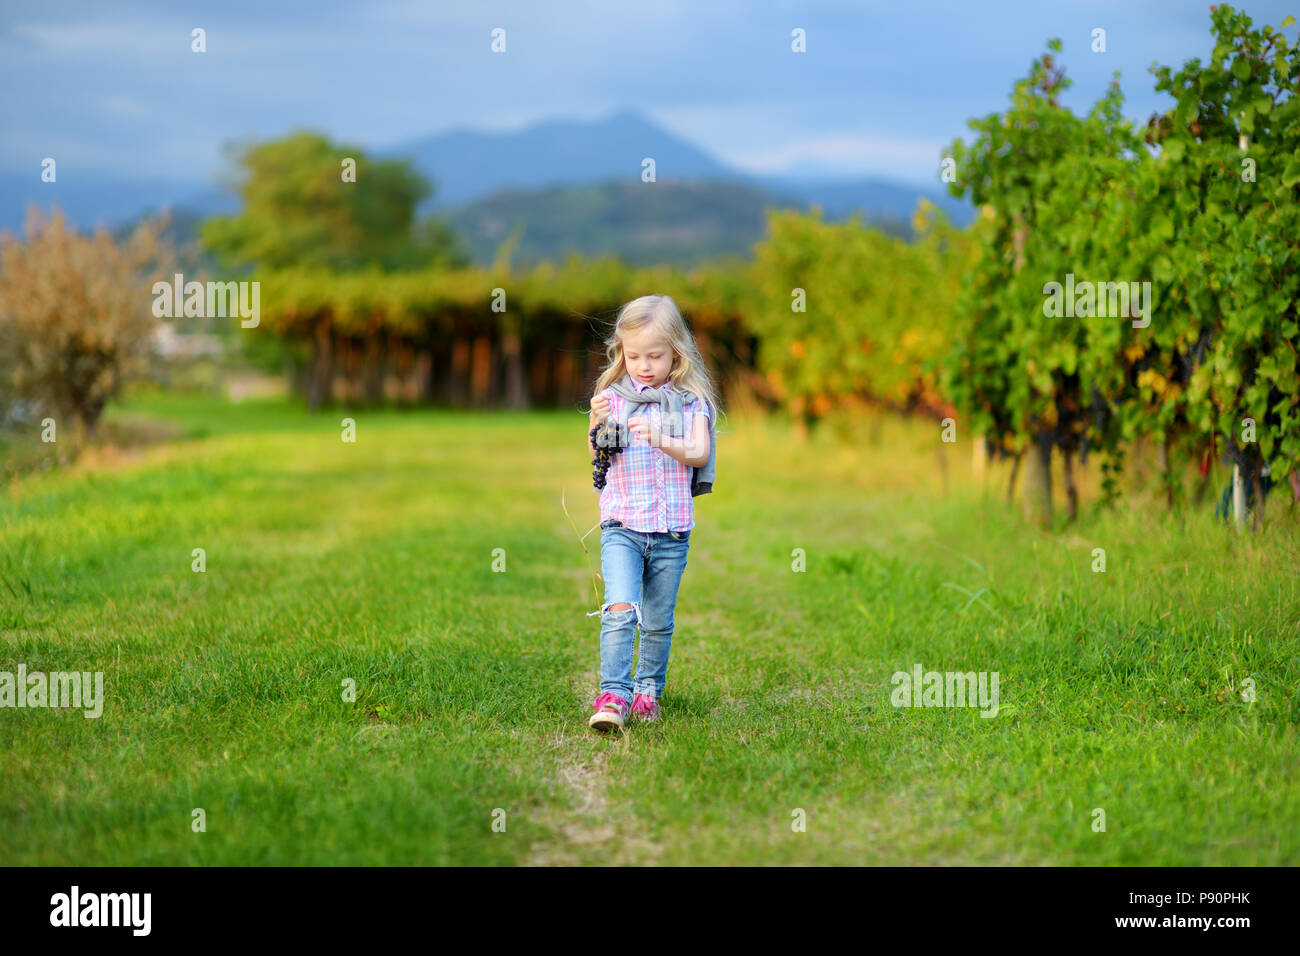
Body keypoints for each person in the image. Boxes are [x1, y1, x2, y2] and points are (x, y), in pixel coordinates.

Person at [584, 294, 721, 733]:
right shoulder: (614, 399)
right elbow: (597, 452)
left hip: (670, 532)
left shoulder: (691, 402)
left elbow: (699, 452)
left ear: (676, 352)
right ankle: (613, 693)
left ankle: (648, 690)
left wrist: (662, 436)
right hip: (622, 525)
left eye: (655, 355)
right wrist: (594, 420)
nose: (643, 364)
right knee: (620, 609)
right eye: (633, 354)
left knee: (658, 620)